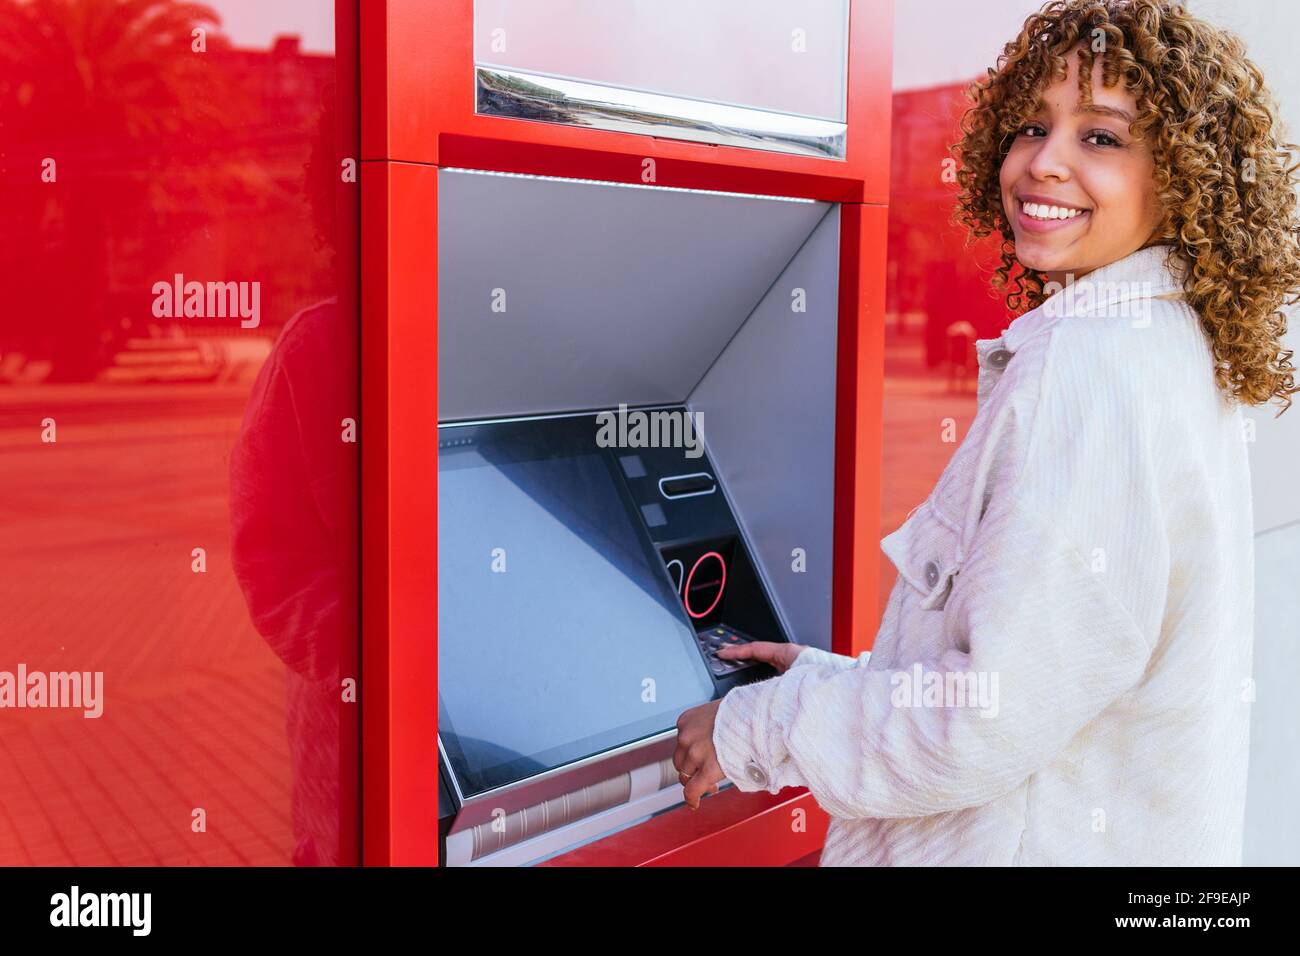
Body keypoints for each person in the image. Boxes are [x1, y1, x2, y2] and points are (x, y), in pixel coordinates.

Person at [674, 0, 1299, 866]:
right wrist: (835, 683)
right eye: (1032, 126)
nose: (1044, 164)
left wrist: (753, 725)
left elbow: (982, 720)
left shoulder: (1089, 370)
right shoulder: (1169, 348)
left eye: (1102, 139)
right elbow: (1053, 670)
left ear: (1184, 176)